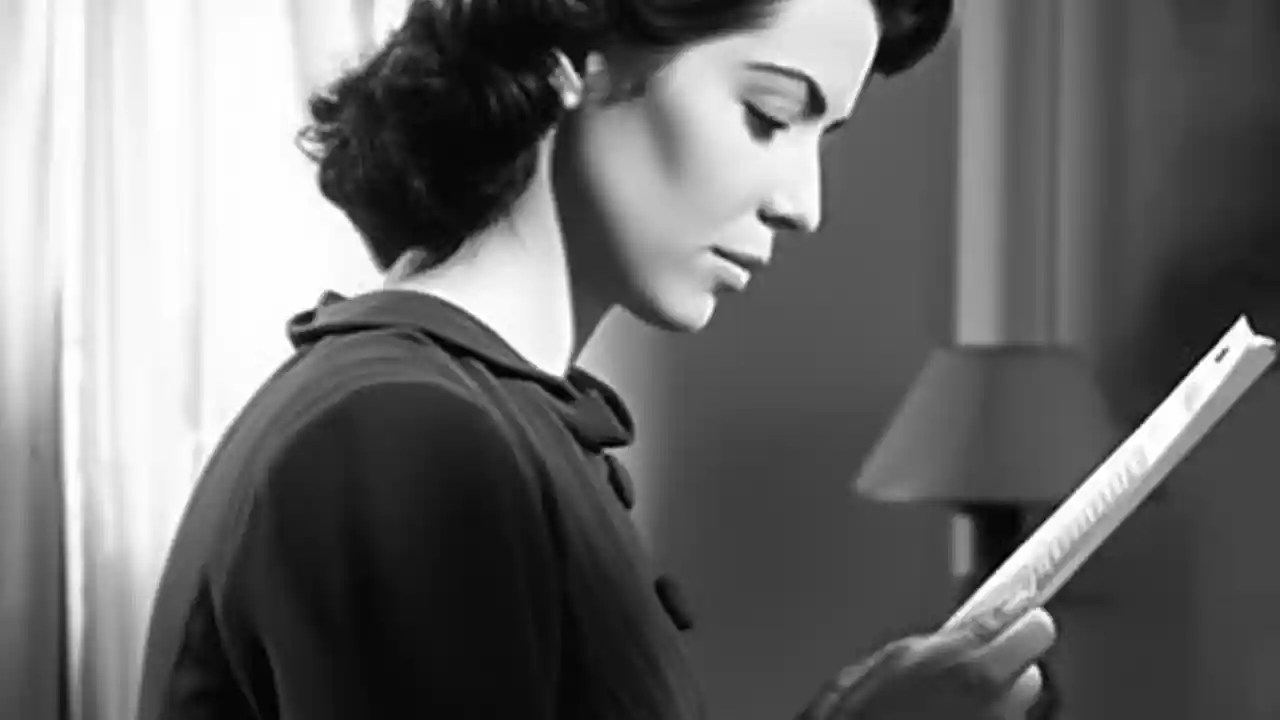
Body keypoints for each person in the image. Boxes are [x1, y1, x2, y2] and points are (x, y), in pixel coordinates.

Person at [135, 0, 1057, 718]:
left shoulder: (499, 422)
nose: (803, 203)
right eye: (769, 114)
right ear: (573, 56)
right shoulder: (403, 434)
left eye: (826, 136)